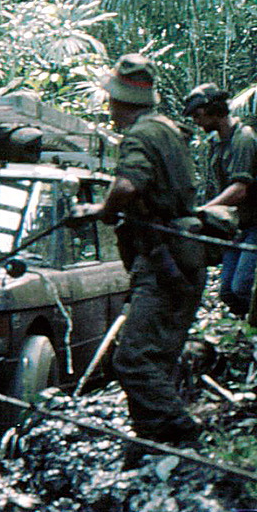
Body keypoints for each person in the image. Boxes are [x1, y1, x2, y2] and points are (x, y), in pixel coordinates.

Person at [73, 54, 205, 447]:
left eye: (111, 100)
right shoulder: (168, 130)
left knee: (132, 359)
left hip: (163, 257)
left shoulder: (140, 136)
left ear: (120, 101)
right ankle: (150, 442)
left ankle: (183, 434)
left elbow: (128, 186)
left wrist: (101, 210)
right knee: (158, 356)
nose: (109, 108)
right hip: (184, 257)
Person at [183, 84, 257, 318]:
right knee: (227, 293)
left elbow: (239, 189)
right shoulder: (216, 143)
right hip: (235, 226)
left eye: (198, 116)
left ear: (215, 111)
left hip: (256, 223)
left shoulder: (243, 138)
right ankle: (245, 331)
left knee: (242, 287)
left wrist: (204, 210)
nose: (197, 122)